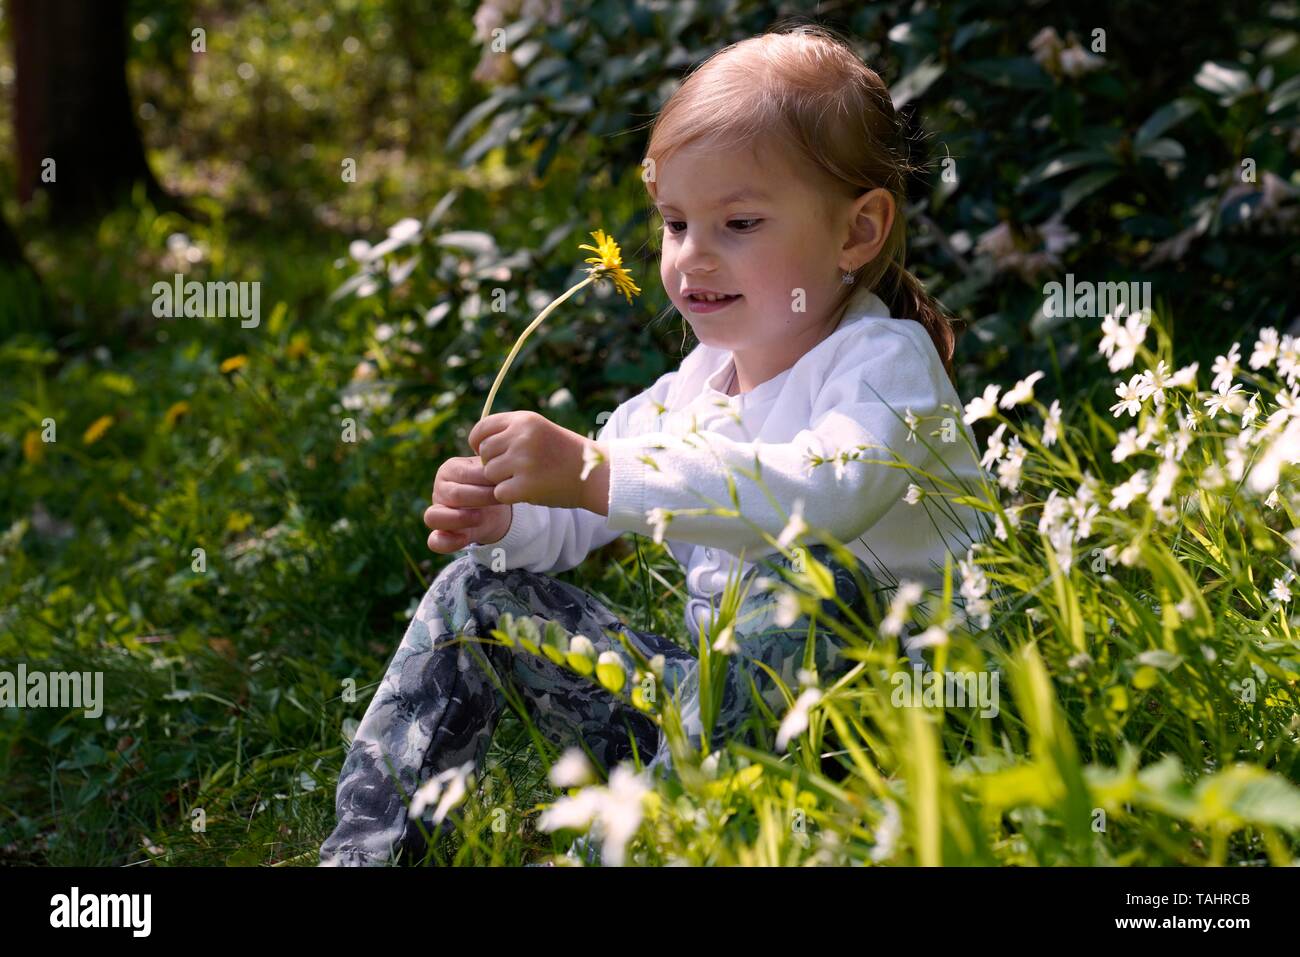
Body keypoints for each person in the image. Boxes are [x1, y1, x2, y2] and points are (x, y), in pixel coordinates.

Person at [319, 24, 989, 867]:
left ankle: (636, 846)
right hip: (718, 726)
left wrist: (597, 471)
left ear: (857, 232)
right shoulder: (693, 387)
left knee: (807, 580)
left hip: (893, 722)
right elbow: (575, 523)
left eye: (738, 222)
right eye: (675, 223)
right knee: (476, 596)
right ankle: (367, 855)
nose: (692, 257)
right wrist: (507, 517)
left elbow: (826, 496)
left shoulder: (883, 361)